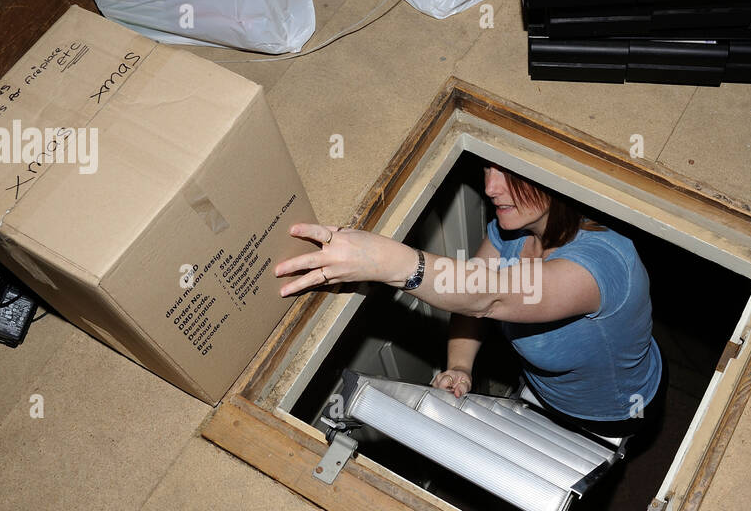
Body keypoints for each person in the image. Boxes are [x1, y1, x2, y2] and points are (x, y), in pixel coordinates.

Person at [275, 164, 663, 437]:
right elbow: (470, 300)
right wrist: (459, 366)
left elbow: (488, 298)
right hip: (541, 389)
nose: (491, 187)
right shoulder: (511, 229)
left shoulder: (600, 265)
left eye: (509, 174)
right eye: (488, 169)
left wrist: (383, 261)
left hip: (609, 409)